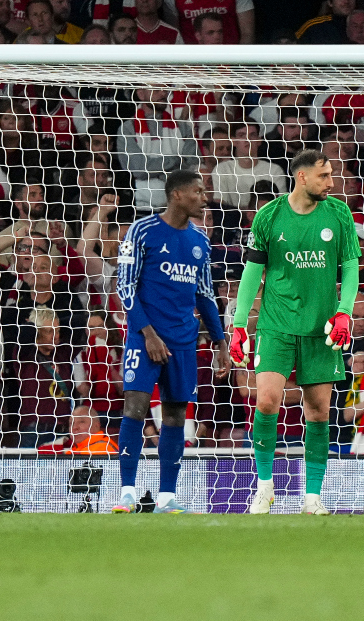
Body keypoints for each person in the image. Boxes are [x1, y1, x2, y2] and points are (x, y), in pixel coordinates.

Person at [228, 149, 361, 515]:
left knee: (318, 411)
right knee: (266, 400)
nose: (331, 183)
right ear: (302, 177)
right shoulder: (269, 217)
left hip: (321, 329)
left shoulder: (339, 215)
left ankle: (312, 496)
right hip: (276, 325)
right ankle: (265, 487)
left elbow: (350, 269)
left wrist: (344, 313)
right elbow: (252, 273)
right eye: (324, 176)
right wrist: (239, 323)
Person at [112, 170, 230, 514]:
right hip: (144, 339)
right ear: (177, 195)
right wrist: (148, 335)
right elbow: (125, 288)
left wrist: (221, 343)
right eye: (198, 191)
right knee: (134, 407)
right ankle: (127, 493)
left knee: (176, 415)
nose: (204, 197)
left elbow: (206, 295)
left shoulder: (200, 242)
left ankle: (167, 497)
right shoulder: (142, 231)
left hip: (182, 342)